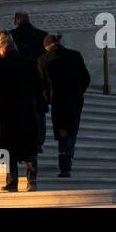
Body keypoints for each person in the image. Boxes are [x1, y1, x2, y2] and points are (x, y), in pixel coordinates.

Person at [0, 30, 43, 191]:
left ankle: (11, 182)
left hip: (7, 114)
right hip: (27, 111)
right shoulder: (29, 63)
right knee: (30, 148)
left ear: (3, 50)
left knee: (7, 148)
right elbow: (38, 88)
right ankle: (31, 181)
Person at [37, 33, 91, 177]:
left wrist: (47, 99)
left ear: (47, 46)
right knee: (73, 130)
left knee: (63, 133)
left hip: (59, 102)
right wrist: (79, 92)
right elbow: (86, 78)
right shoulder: (75, 55)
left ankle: (65, 166)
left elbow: (42, 84)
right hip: (75, 100)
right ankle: (69, 159)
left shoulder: (43, 59)